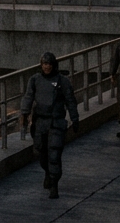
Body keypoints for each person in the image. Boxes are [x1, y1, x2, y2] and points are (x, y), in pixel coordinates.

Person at [21, 52, 80, 199]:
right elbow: (28, 97)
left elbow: (70, 101)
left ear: (54, 65)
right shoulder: (35, 80)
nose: (47, 67)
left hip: (56, 122)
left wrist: (75, 118)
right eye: (44, 64)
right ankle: (47, 173)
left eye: (49, 64)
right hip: (40, 121)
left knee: (54, 153)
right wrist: (24, 113)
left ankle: (54, 184)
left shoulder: (63, 81)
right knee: (41, 152)